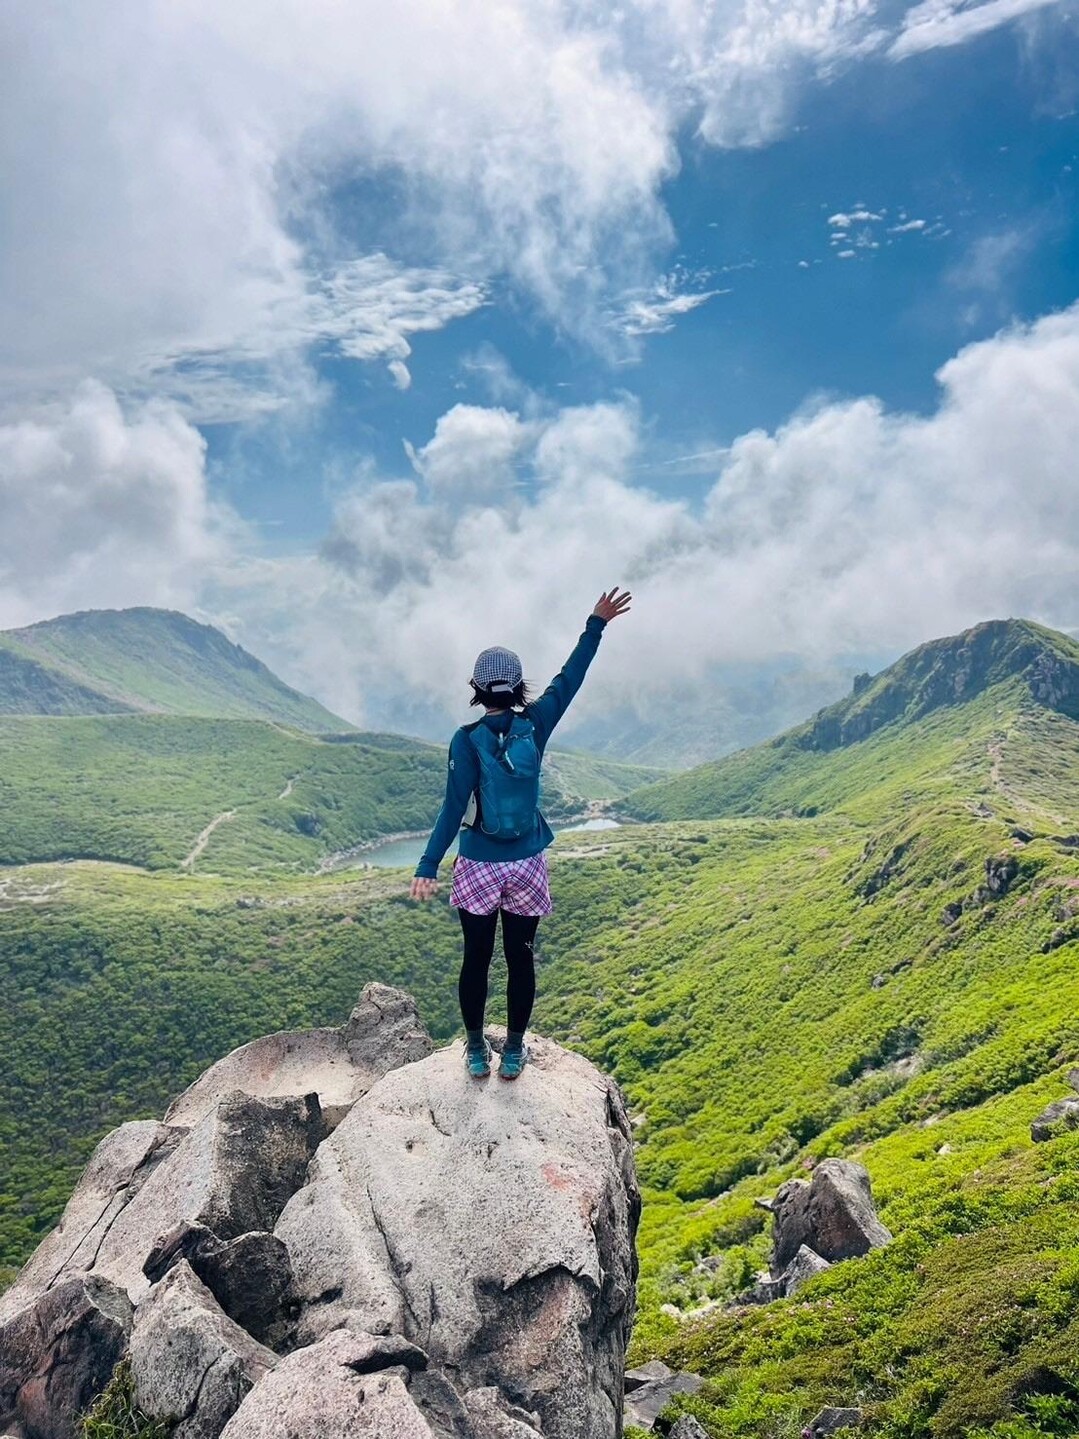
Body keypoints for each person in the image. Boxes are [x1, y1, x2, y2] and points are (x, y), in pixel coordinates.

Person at [410, 587, 632, 1080]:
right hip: (527, 860)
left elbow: (453, 808)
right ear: (516, 688)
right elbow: (568, 679)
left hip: (480, 863)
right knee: (521, 958)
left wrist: (428, 864)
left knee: (476, 959)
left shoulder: (466, 740)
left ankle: (473, 1049)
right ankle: (513, 1050)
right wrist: (594, 624)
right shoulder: (536, 722)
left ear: (476, 688)